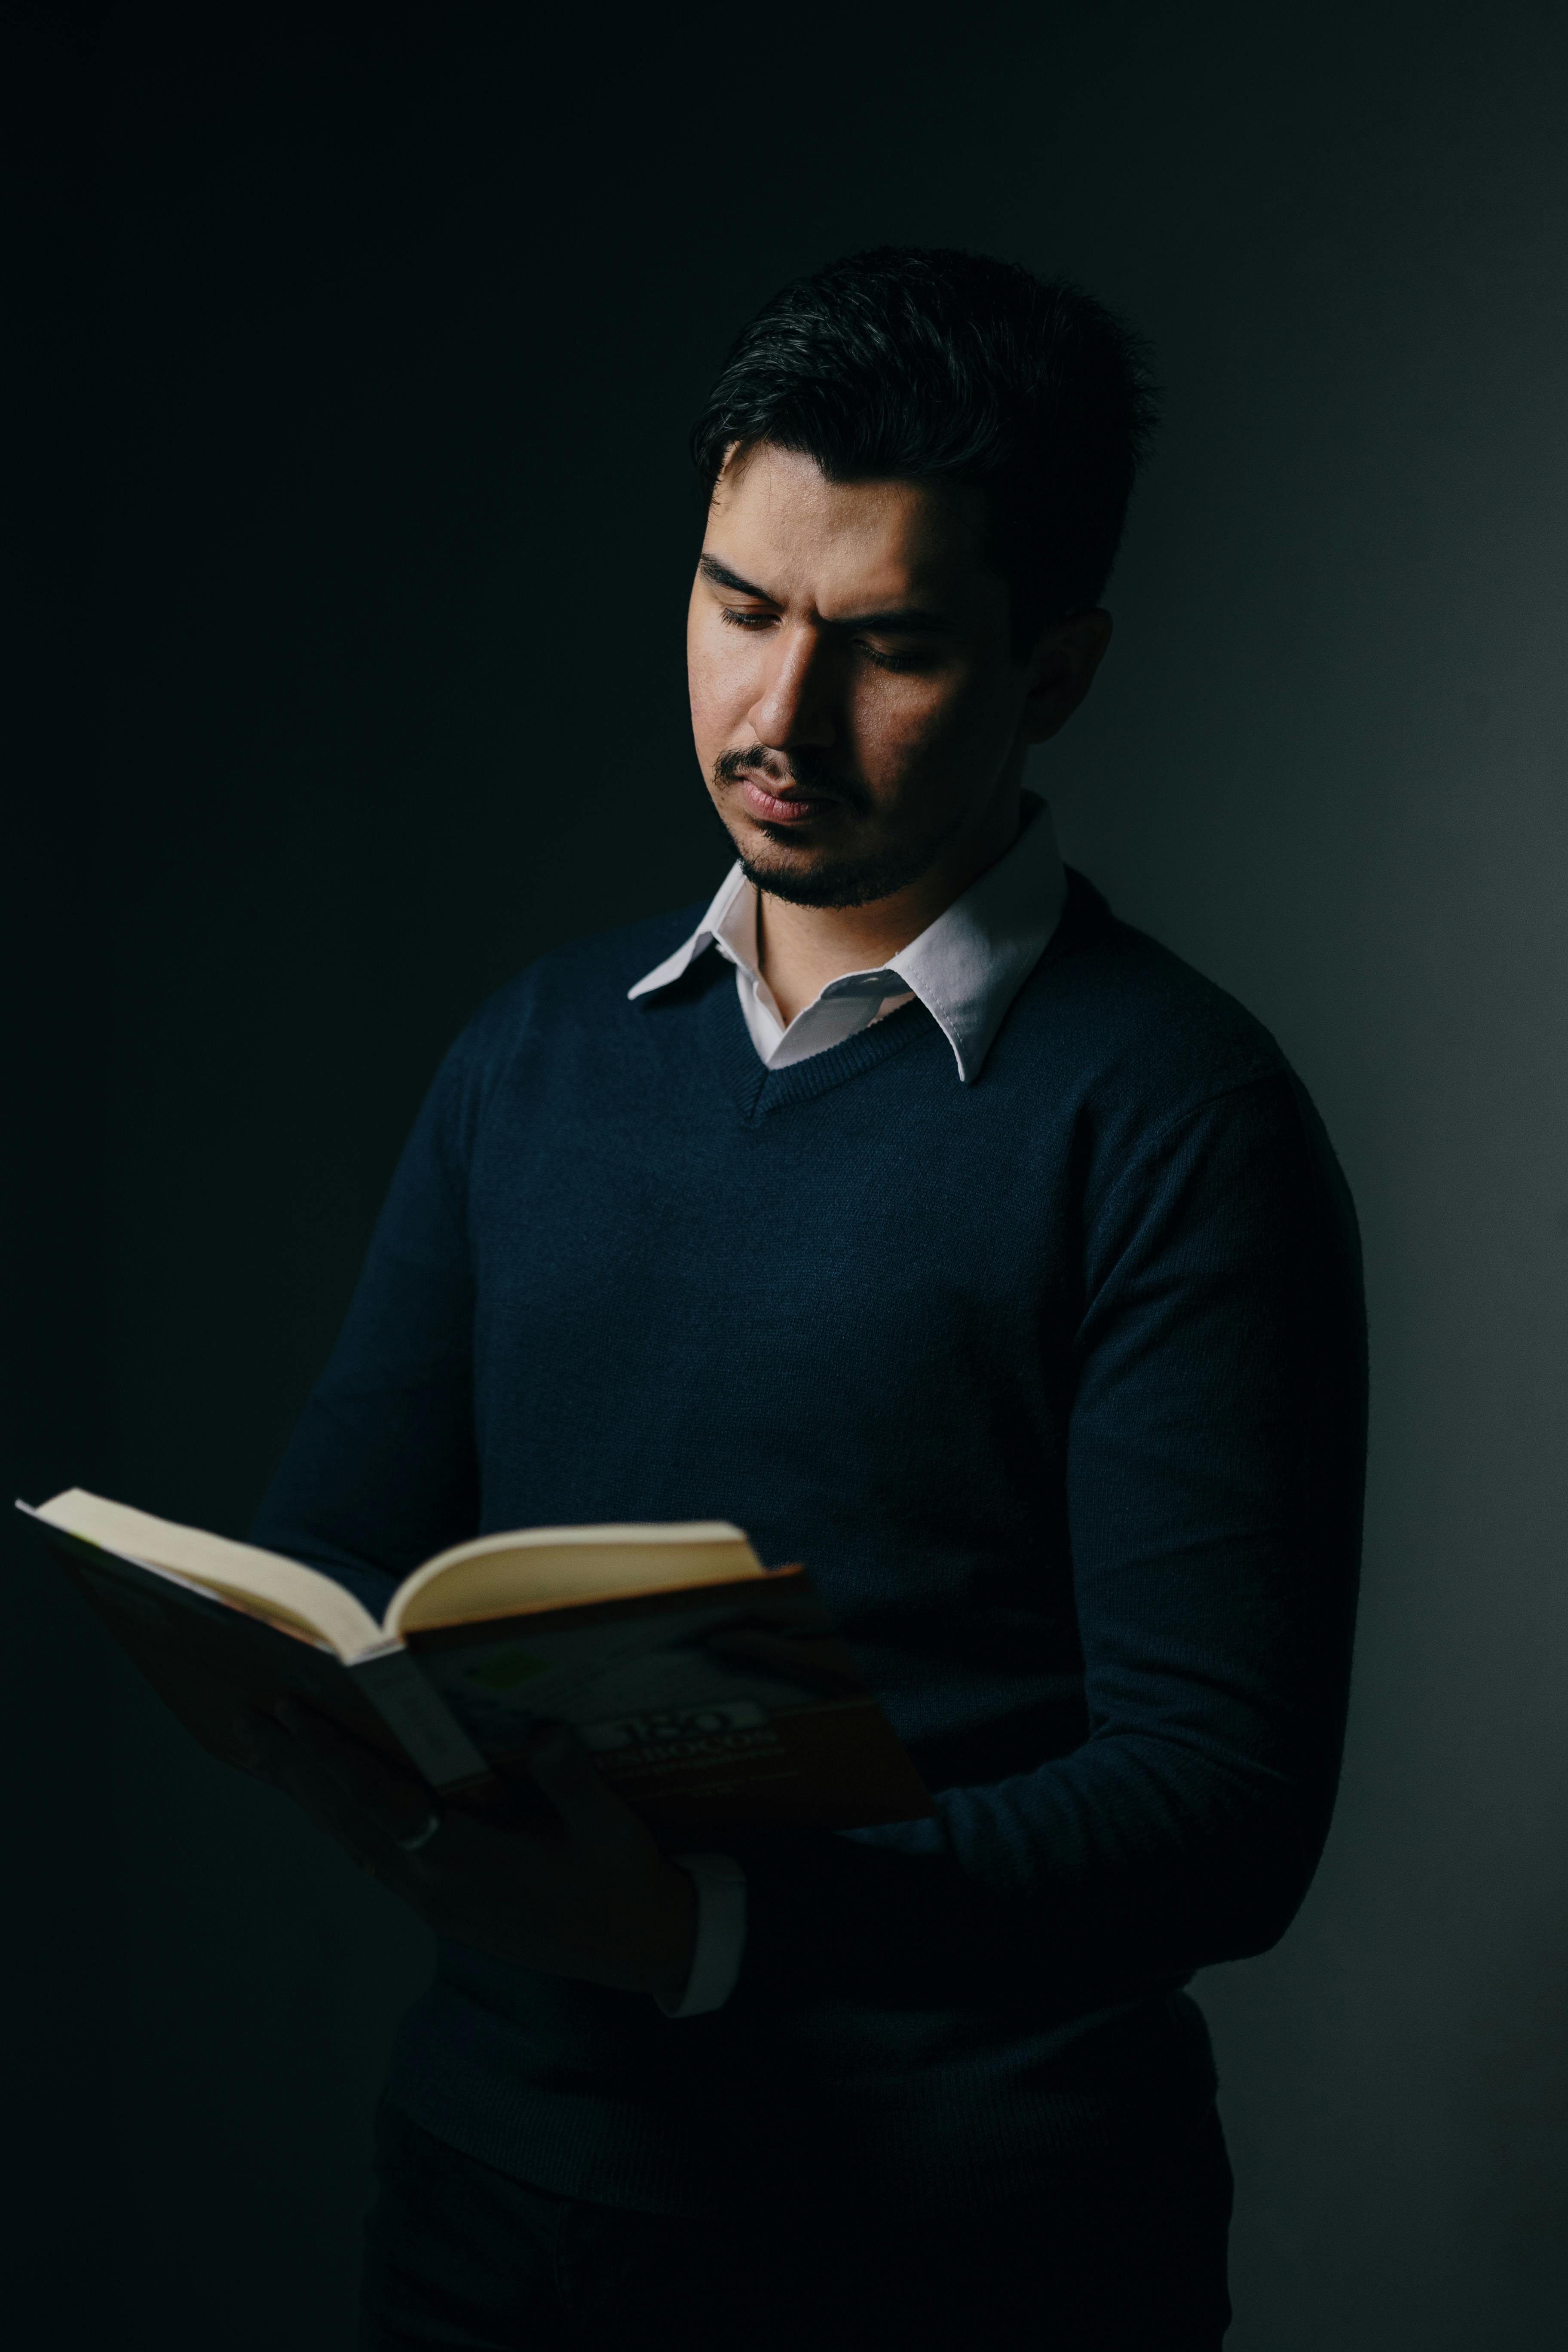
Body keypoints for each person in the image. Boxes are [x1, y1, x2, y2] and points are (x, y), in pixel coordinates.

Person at [239, 247, 1366, 2349]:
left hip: (970, 2250)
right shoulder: (534, 1053)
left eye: (891, 646)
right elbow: (332, 1556)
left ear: (1056, 674)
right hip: (502, 2195)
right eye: (739, 607)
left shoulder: (1180, 1120)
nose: (777, 718)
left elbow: (1222, 1815)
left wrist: (712, 1924)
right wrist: (306, 1693)